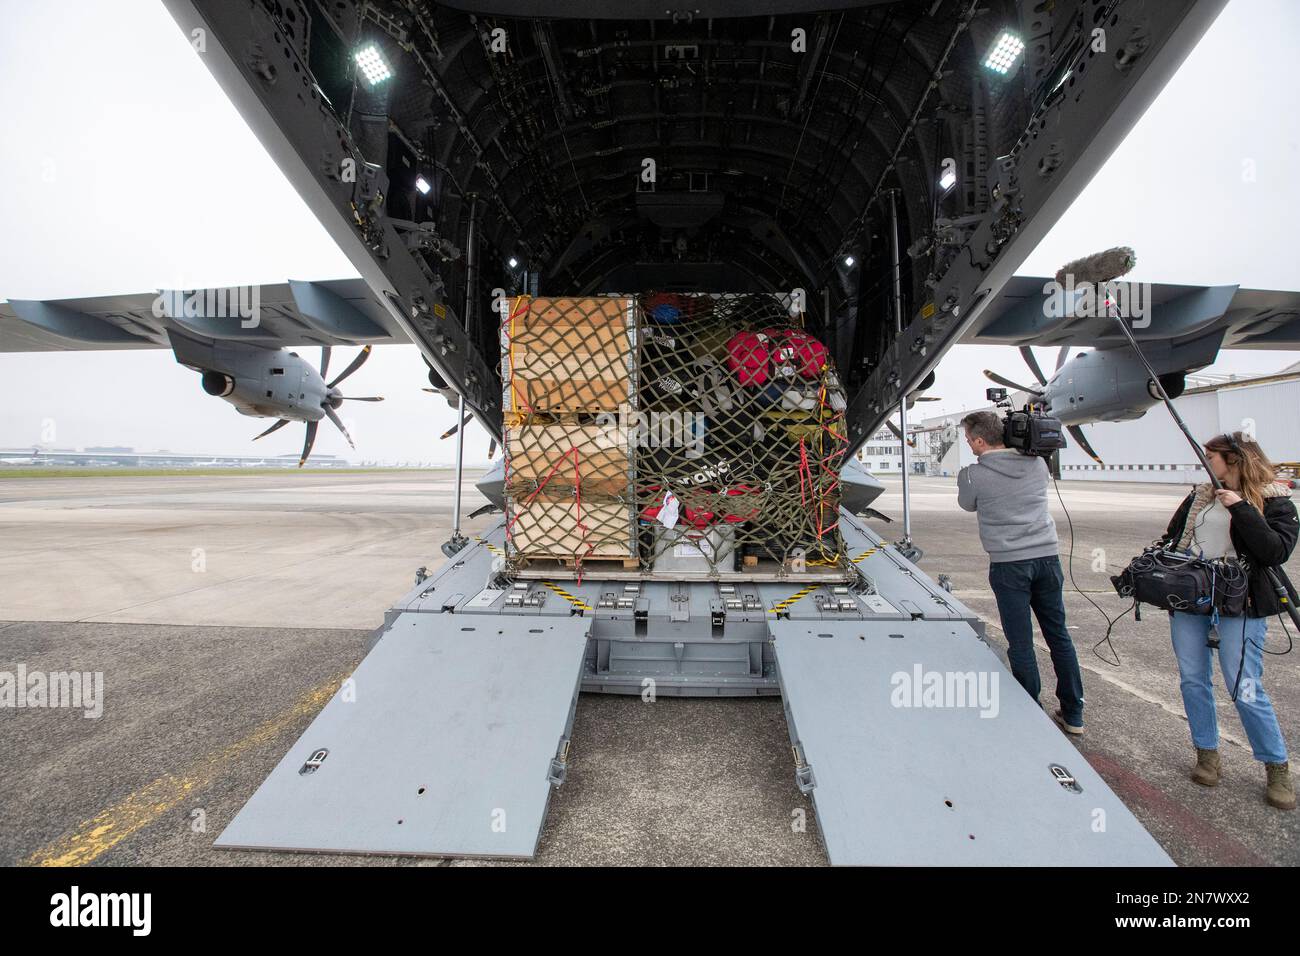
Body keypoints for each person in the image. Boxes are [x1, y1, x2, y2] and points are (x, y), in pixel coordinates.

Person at [1159, 431, 1296, 810]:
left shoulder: (1275, 500)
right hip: (1192, 599)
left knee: (1244, 685)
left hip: (1243, 603)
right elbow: (1173, 538)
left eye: (1212, 456)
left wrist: (1241, 508)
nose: (1206, 462)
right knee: (1192, 678)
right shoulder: (1200, 495)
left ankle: (1275, 764)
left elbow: (1274, 551)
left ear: (1233, 460)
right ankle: (1207, 753)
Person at [957, 410, 1085, 733]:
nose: (969, 445)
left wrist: (965, 475)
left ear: (982, 440)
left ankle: (1031, 711)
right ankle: (1073, 715)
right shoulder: (1039, 465)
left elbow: (966, 503)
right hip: (1047, 559)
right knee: (1059, 635)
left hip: (1009, 565)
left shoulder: (974, 475)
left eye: (970, 440)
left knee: (1021, 642)